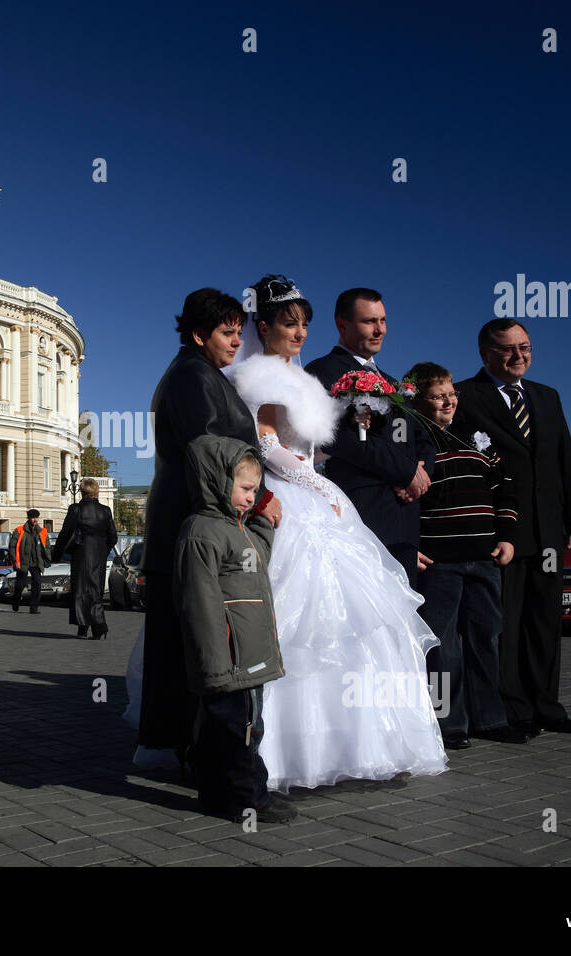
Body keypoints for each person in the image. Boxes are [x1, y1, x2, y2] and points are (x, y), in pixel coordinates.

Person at [226, 275, 447, 790]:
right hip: (287, 493)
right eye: (288, 323)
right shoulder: (255, 377)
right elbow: (264, 443)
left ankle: (356, 740)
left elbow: (314, 444)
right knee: (299, 620)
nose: (299, 333)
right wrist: (310, 479)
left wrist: (337, 445)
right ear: (264, 326)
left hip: (316, 488)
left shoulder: (304, 378)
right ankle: (286, 750)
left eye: (303, 323)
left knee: (362, 615)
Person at [140, 288, 281, 762]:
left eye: (239, 331)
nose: (236, 341)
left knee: (182, 652)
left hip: (184, 526)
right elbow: (213, 456)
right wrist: (260, 500)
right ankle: (210, 764)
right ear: (199, 334)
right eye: (226, 332)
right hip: (193, 528)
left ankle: (182, 752)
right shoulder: (193, 378)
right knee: (201, 650)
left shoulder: (198, 373)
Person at [452, 319, 571, 736]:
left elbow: (565, 460)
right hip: (501, 532)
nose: (519, 356)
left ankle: (547, 706)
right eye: (508, 349)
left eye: (526, 347)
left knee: (545, 622)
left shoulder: (547, 397)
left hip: (548, 532)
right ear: (485, 353)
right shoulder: (464, 397)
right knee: (505, 624)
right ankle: (511, 711)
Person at [406, 361, 528, 749]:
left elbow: (504, 488)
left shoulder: (476, 437)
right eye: (438, 395)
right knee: (442, 644)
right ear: (417, 399)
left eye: (451, 394)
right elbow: (405, 501)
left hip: (484, 555)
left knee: (486, 637)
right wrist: (412, 546)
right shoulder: (412, 440)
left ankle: (490, 719)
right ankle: (448, 725)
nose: (448, 401)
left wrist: (507, 536)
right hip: (441, 559)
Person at [176, 435, 295, 823]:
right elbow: (200, 604)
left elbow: (256, 558)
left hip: (247, 657)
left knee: (231, 730)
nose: (250, 497)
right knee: (241, 733)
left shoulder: (236, 527)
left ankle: (215, 796)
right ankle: (250, 801)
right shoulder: (203, 531)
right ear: (216, 480)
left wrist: (262, 518)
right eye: (245, 489)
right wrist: (216, 666)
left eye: (255, 491)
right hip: (229, 660)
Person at [304, 288, 435, 586]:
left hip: (405, 519)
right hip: (361, 516)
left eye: (383, 321)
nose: (380, 330)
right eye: (369, 322)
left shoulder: (393, 383)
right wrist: (404, 472)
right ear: (342, 325)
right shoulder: (322, 372)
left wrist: (420, 476)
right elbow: (338, 438)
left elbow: (422, 439)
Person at [52, 477, 118, 639]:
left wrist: (56, 554)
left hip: (81, 553)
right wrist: (103, 549)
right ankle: (96, 628)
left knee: (80, 591)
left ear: (82, 492)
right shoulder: (105, 511)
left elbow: (65, 533)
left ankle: (89, 626)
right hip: (99, 555)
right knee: (95, 590)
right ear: (96, 491)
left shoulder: (76, 509)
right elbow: (113, 537)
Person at [10, 510, 50, 613]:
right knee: (20, 585)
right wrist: (15, 561)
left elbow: (47, 547)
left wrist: (47, 559)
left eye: (36, 517)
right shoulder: (19, 530)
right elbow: (12, 547)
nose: (35, 519)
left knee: (37, 583)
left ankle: (34, 607)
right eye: (33, 517)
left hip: (36, 562)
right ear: (28, 518)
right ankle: (16, 601)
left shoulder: (42, 531)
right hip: (23, 562)